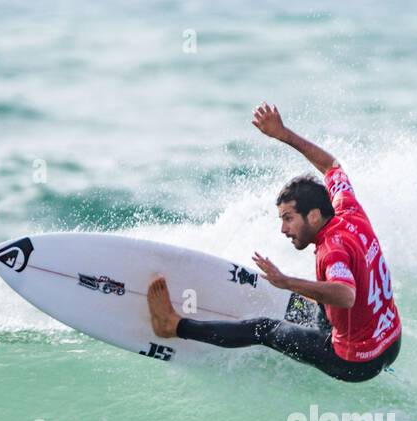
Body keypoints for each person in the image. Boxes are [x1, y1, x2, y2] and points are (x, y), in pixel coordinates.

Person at [145, 103, 401, 383]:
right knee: (322, 299)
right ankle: (323, 316)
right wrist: (283, 134)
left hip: (355, 363)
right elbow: (331, 166)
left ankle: (172, 326)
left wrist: (286, 282)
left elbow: (345, 295)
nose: (283, 229)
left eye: (289, 218)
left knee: (262, 329)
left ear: (314, 215)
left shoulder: (332, 251)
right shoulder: (349, 209)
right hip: (391, 342)